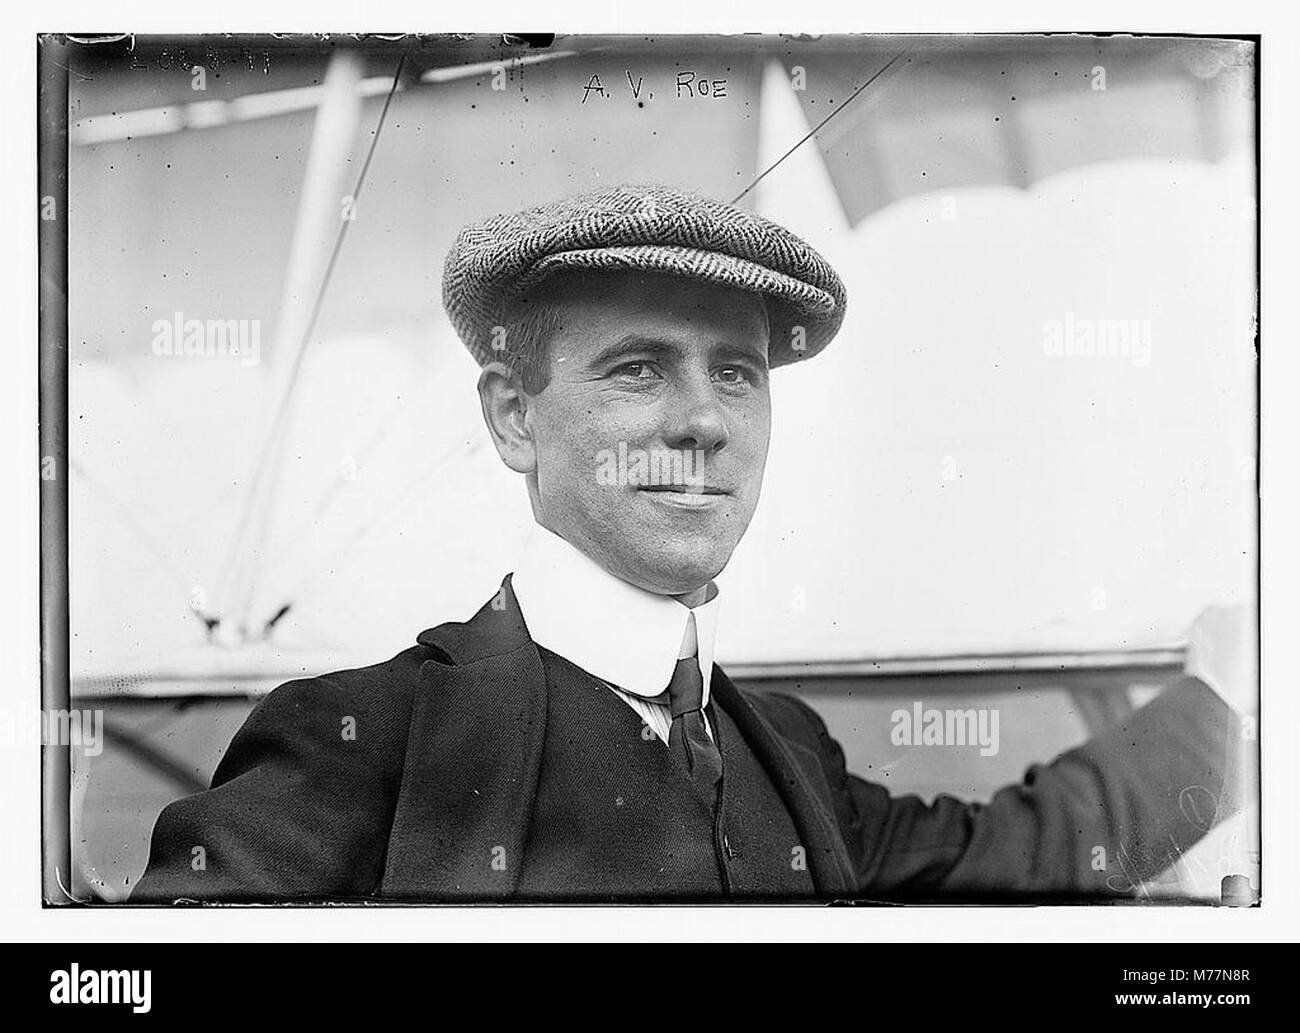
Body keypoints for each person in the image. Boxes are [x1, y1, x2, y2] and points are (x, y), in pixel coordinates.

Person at [132, 183, 1250, 903]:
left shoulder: (786, 751)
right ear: (514, 417)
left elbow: (1013, 859)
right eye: (637, 367)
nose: (704, 419)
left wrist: (1224, 712)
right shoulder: (357, 741)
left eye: (737, 372)